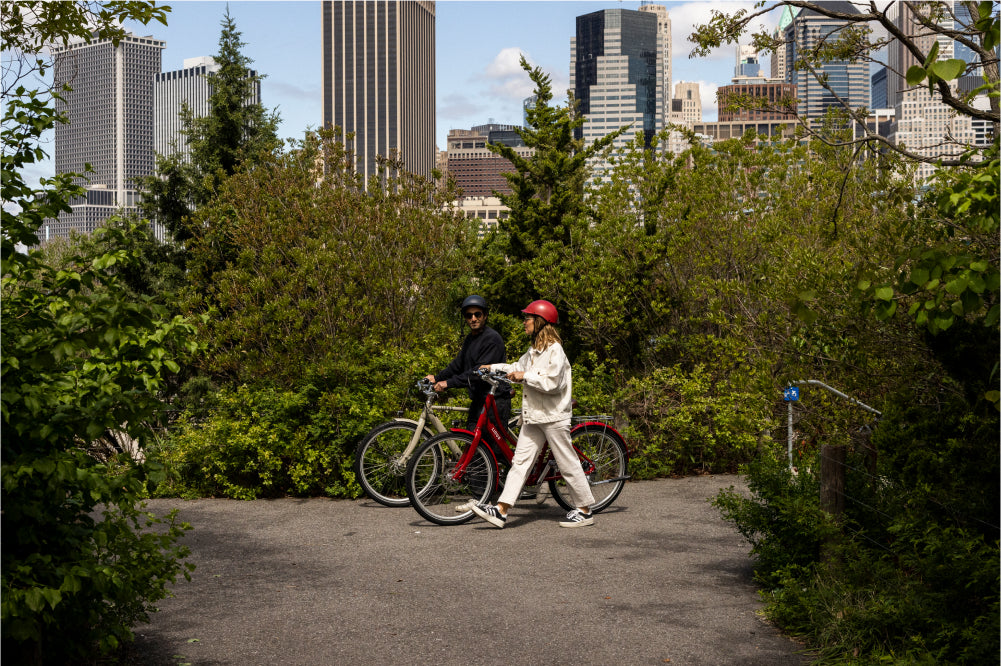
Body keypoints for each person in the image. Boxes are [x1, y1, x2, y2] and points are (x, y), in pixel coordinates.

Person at [471, 300, 595, 529]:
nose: (524, 322)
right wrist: (492, 367)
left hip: (553, 416)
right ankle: (501, 510)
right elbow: (516, 367)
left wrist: (525, 376)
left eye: (527, 318)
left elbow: (553, 384)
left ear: (540, 321)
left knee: (567, 463)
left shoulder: (555, 351)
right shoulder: (534, 351)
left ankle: (585, 511)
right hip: (534, 416)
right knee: (520, 463)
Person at [425, 295, 510, 431]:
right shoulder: (470, 338)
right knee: (472, 445)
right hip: (479, 401)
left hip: (495, 401)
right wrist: (437, 378)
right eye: (469, 315)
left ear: (485, 315)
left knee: (492, 450)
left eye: (477, 314)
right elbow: (458, 364)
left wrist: (448, 383)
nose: (473, 319)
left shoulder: (492, 339)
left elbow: (477, 373)